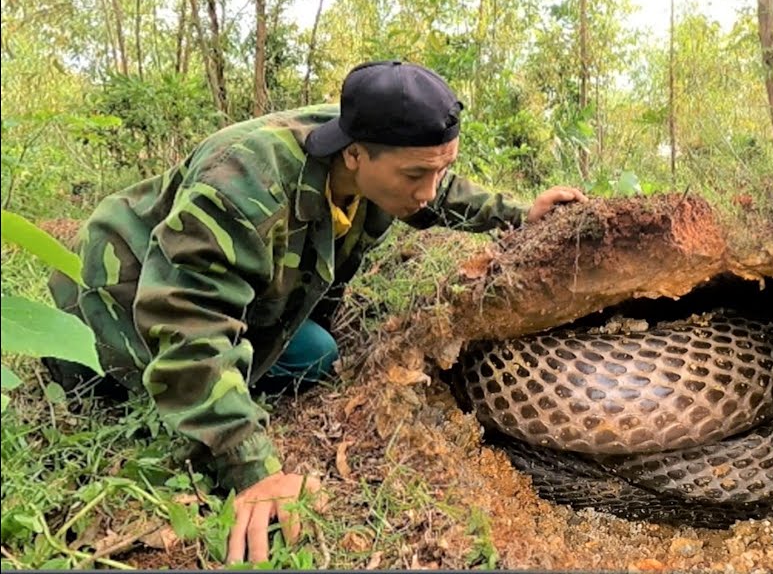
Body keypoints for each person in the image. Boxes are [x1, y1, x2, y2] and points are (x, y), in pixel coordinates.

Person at [47, 60, 587, 563]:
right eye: (412, 176)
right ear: (355, 155)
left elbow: (435, 184)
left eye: (438, 170)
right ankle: (73, 358)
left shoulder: (380, 148)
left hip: (238, 291)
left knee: (317, 354)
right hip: (128, 284)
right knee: (141, 392)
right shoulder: (243, 187)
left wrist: (519, 213)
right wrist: (252, 469)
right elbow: (188, 319)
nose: (426, 192)